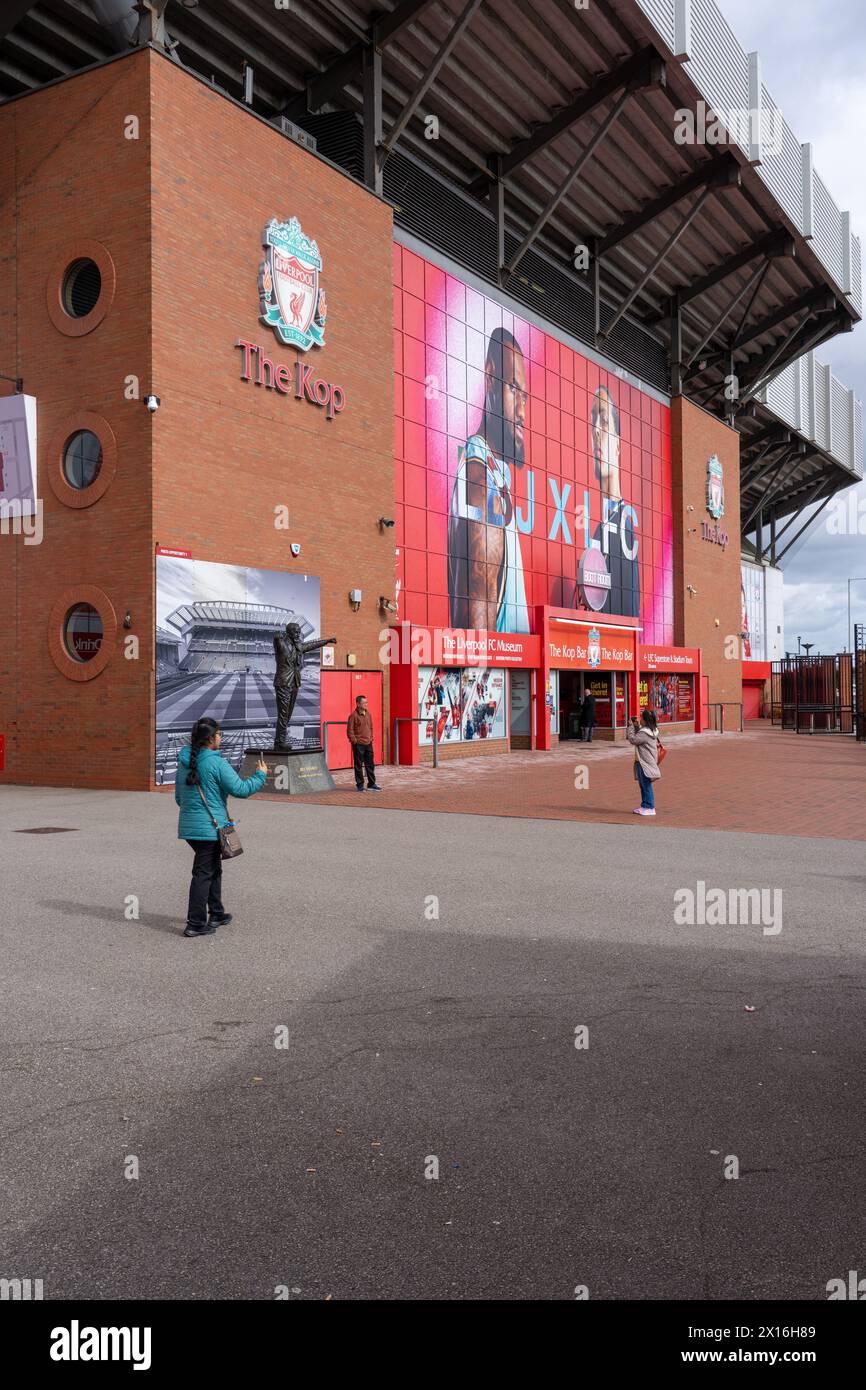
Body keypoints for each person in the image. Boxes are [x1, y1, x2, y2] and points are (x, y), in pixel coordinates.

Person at [448, 327, 530, 633]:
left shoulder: (492, 475)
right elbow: (478, 637)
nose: (522, 412)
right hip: (501, 665)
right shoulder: (481, 484)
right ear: (490, 378)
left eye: (524, 397)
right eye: (513, 388)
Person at [175, 717, 268, 937]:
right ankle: (195, 923)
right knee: (203, 873)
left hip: (190, 828)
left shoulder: (184, 761)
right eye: (219, 734)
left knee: (212, 868)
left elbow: (179, 798)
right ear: (210, 738)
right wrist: (260, 775)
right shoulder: (216, 763)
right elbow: (241, 789)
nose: (221, 738)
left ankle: (216, 913)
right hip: (210, 828)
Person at [589, 385, 640, 619]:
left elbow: (629, 612)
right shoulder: (602, 526)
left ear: (619, 446)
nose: (596, 431)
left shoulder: (623, 524)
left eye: (604, 421)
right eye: (593, 421)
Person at [627, 709, 660, 817]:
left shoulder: (644, 733)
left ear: (645, 720)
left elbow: (633, 740)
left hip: (644, 762)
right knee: (643, 784)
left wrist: (631, 727)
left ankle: (650, 807)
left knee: (645, 785)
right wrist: (636, 727)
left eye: (641, 718)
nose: (639, 719)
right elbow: (639, 737)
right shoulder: (652, 730)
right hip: (646, 760)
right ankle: (645, 806)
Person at [347, 694, 380, 792]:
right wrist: (355, 741)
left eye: (366, 702)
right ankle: (360, 785)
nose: (366, 704)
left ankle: (371, 784)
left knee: (370, 765)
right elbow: (350, 730)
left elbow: (371, 727)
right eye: (364, 702)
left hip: (368, 743)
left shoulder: (368, 714)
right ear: (358, 704)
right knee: (358, 765)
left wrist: (371, 737)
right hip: (358, 744)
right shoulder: (353, 716)